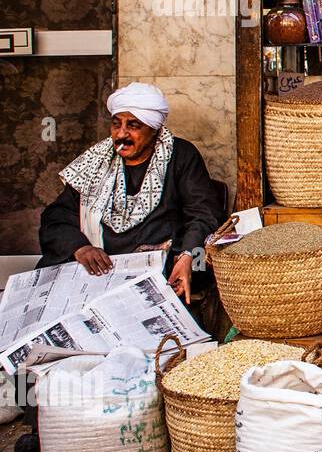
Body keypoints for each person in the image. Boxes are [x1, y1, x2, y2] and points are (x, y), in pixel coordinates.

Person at [38, 82, 225, 304]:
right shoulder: (97, 160)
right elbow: (56, 217)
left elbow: (203, 215)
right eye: (116, 125)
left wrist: (187, 257)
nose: (121, 134)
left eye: (133, 126)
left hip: (160, 269)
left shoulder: (181, 156)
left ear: (154, 129)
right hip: (101, 271)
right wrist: (80, 248)